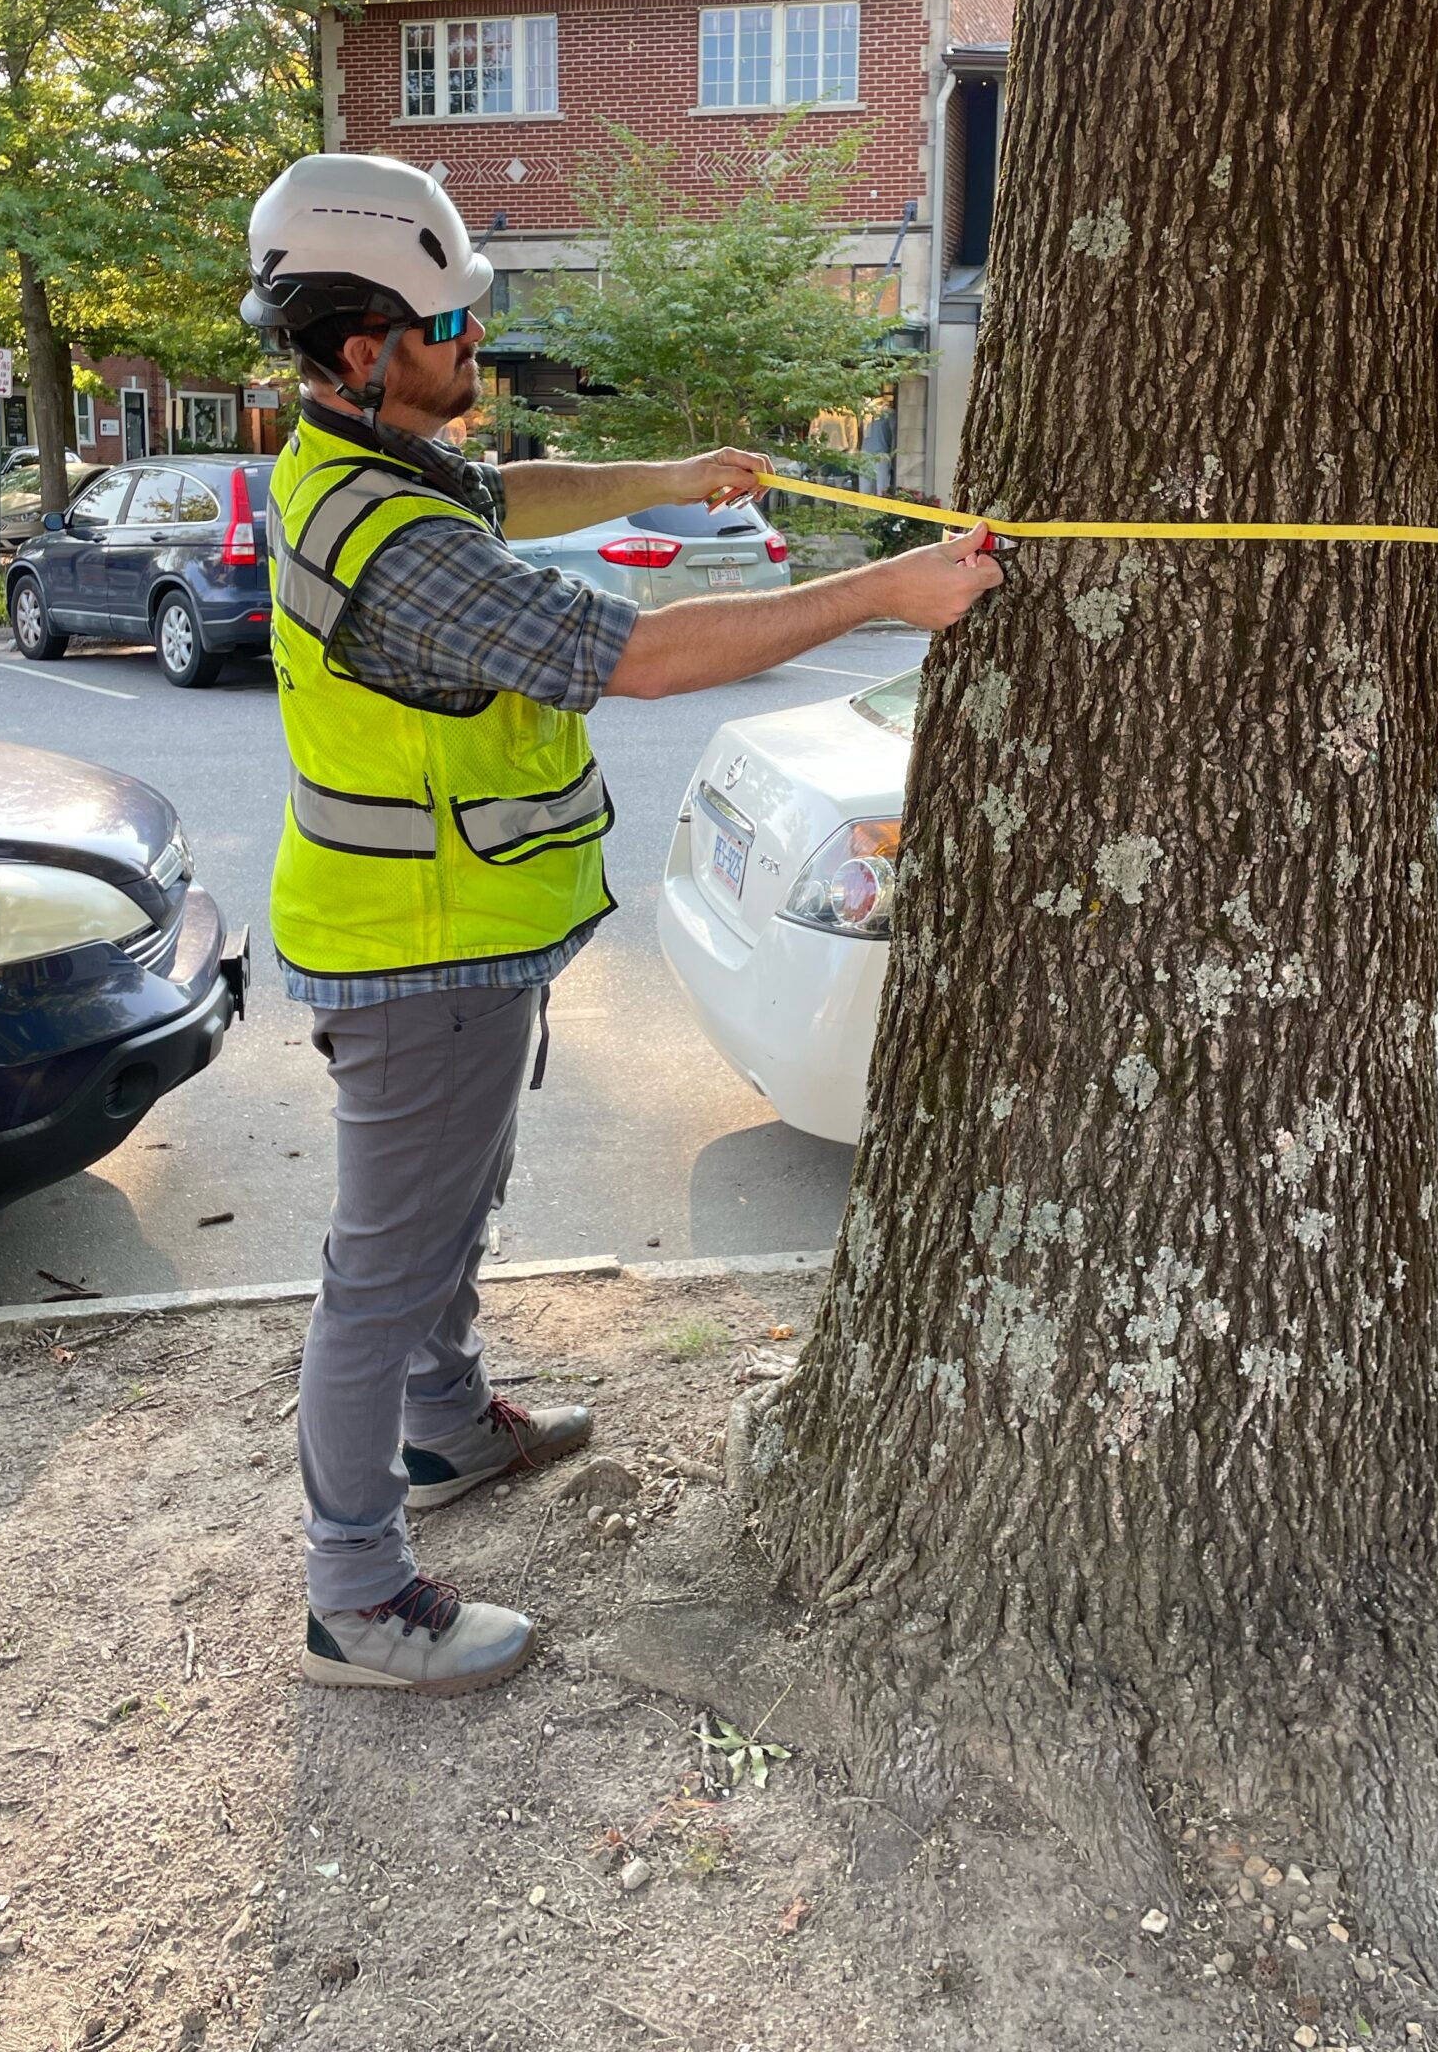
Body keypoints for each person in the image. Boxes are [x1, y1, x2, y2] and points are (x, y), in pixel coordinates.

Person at [242, 152, 1002, 1696]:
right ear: (361, 348)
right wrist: (883, 593)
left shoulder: (368, 463)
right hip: (418, 946)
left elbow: (509, 490)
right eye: (456, 332)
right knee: (384, 1269)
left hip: (452, 930)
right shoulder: (395, 550)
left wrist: (670, 474)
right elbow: (640, 659)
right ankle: (354, 1598)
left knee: (446, 1217)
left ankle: (446, 1430)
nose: (481, 354)